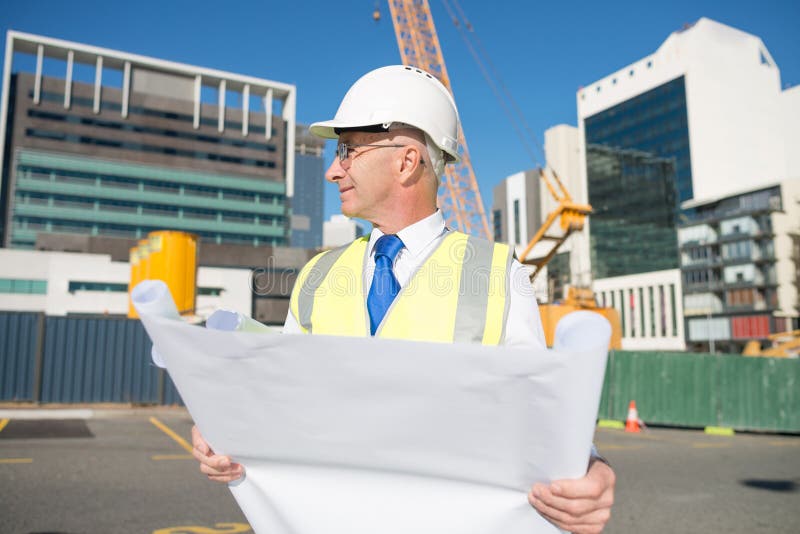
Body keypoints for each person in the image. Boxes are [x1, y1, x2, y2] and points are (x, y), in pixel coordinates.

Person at [192, 65, 615, 534]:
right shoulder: (316, 276)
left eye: (347, 150)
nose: (334, 170)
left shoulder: (496, 273)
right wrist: (229, 428)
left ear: (407, 161)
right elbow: (283, 403)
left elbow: (537, 414)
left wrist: (590, 468)